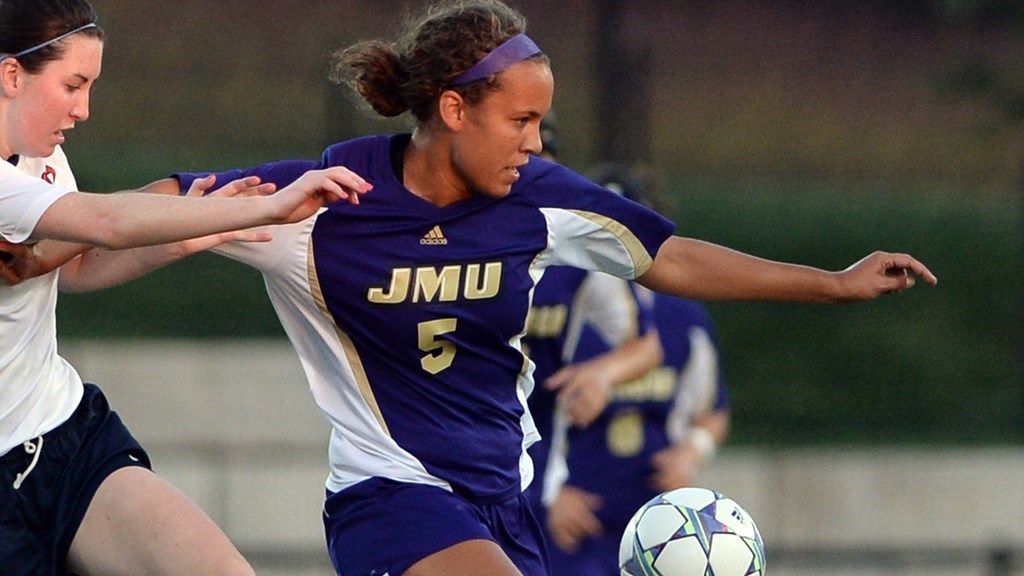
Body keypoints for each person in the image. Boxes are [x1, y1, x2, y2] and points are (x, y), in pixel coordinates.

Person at [5, 1, 936, 575]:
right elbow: (155, 208)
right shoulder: (329, 200)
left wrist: (831, 284)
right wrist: (135, 232)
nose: (535, 142)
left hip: (505, 500)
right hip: (389, 499)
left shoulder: (538, 200)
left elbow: (671, 260)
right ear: (453, 110)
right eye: (521, 120)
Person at [0, 2, 369, 575]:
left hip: (60, 434)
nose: (83, 109)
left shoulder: (43, 161)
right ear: (11, 75)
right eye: (73, 85)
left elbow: (72, 267)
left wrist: (185, 237)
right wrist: (272, 207)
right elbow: (107, 222)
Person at [542, 164, 733, 576]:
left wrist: (690, 453)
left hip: (659, 517)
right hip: (575, 518)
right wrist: (548, 492)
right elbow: (521, 410)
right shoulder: (561, 311)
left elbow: (713, 410)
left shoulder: (683, 317)